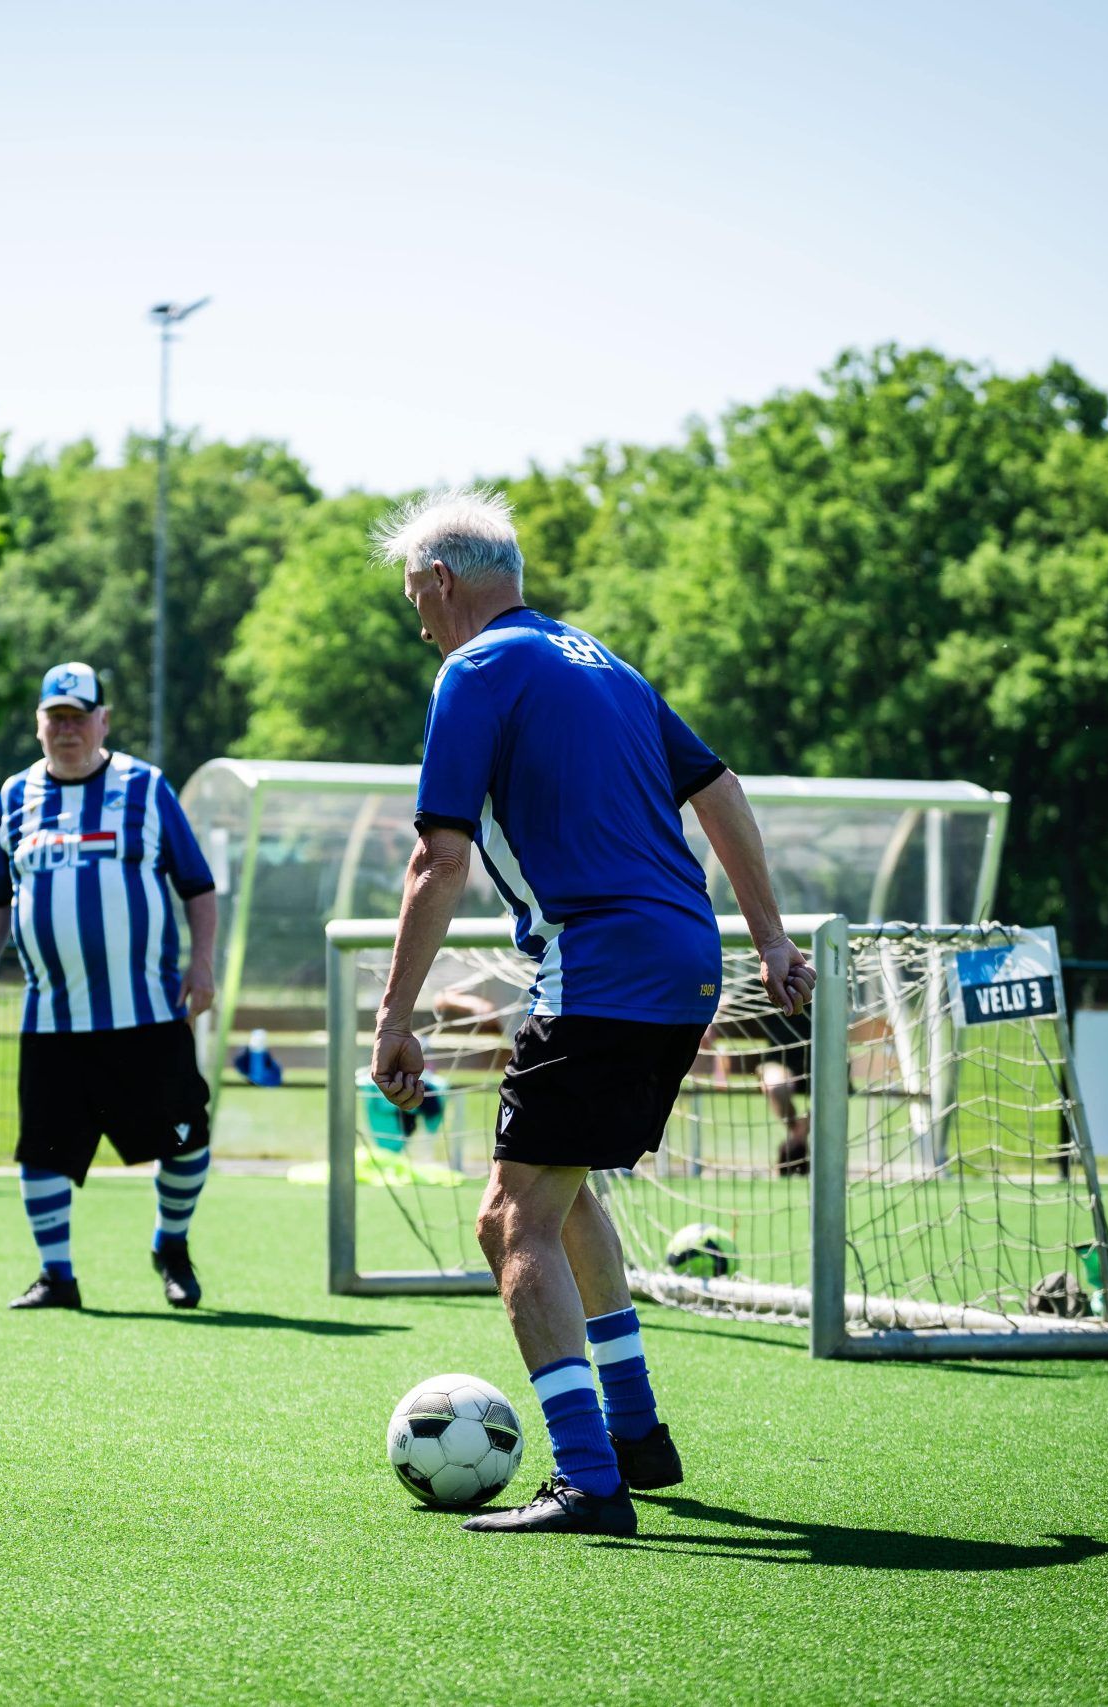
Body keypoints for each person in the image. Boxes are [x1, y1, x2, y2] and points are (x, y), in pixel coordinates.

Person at [366, 489, 813, 1537]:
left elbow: (436, 858)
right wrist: (771, 938)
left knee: (504, 1216)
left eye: (413, 600)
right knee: (562, 1199)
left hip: (600, 956)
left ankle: (587, 1479)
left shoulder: (471, 668)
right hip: (684, 956)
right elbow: (720, 788)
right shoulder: (600, 659)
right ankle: (639, 1437)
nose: (416, 621)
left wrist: (395, 1019)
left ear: (441, 581)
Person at [0, 663, 220, 1310]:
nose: (67, 728)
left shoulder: (146, 786)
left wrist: (203, 965)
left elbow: (196, 885)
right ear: (39, 723)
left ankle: (172, 1242)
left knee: (189, 1135)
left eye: (80, 716)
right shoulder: (13, 795)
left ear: (103, 720)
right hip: (52, 1016)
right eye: (56, 716)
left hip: (145, 1010)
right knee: (42, 1151)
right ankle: (58, 1276)